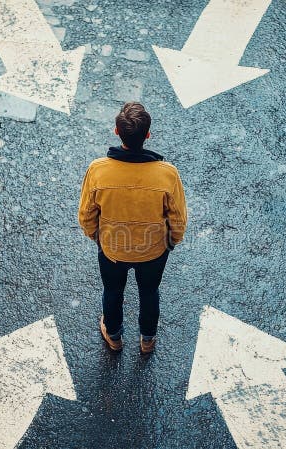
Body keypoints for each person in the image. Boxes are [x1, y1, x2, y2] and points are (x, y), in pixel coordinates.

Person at [78, 102, 187, 354]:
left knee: (113, 291)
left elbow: (86, 215)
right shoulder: (167, 174)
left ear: (117, 132)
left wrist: (98, 237)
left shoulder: (98, 170)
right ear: (147, 135)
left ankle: (114, 336)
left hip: (112, 247)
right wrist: (171, 241)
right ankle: (147, 340)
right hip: (153, 249)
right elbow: (178, 218)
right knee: (149, 292)